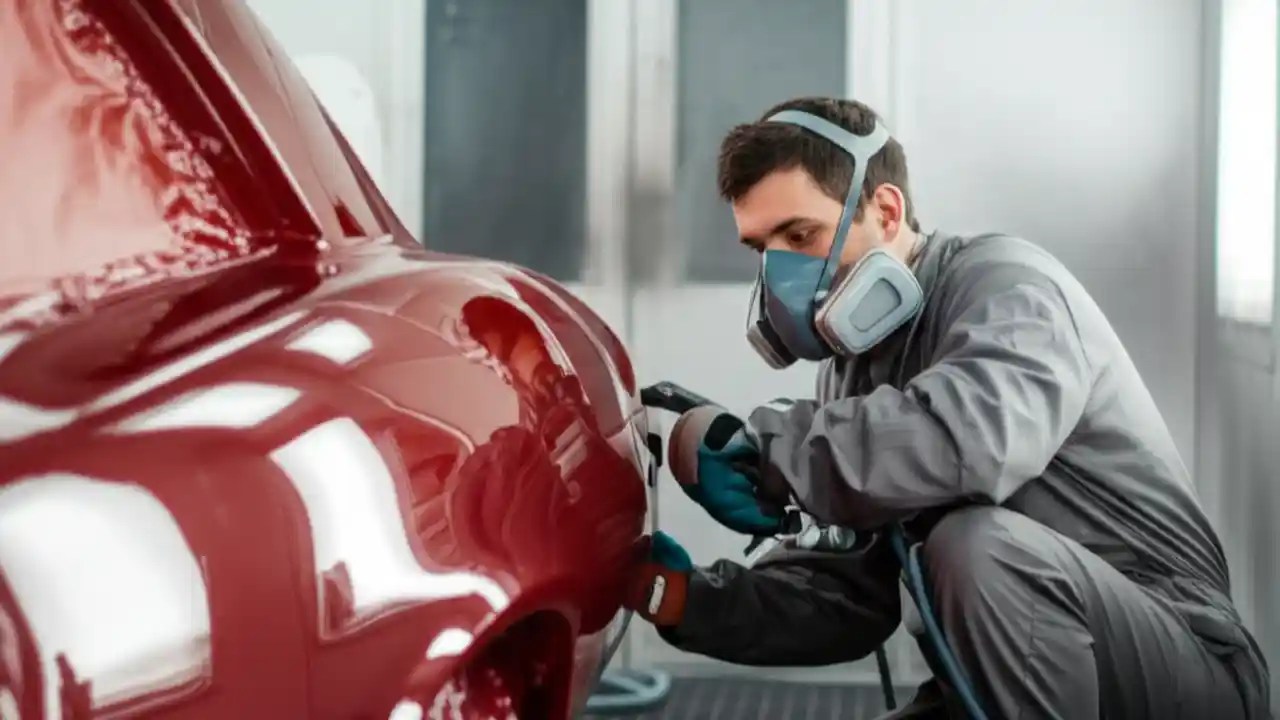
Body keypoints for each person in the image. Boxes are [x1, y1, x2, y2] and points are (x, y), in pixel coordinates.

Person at [623, 97, 1272, 719]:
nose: (782, 274)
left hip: (1181, 665)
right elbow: (853, 595)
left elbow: (967, 443)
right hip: (1025, 675)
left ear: (886, 210)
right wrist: (689, 600)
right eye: (764, 248)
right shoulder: (851, 372)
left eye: (802, 234)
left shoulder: (1010, 289)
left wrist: (766, 451)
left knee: (975, 545)